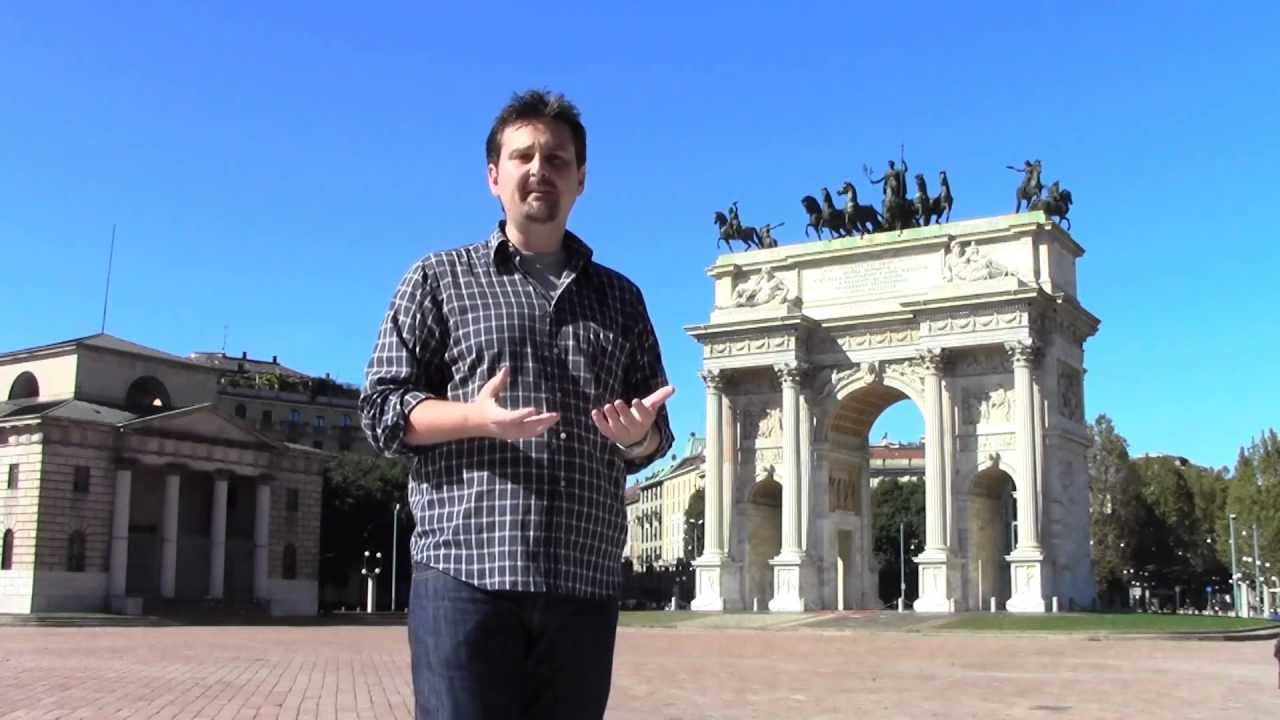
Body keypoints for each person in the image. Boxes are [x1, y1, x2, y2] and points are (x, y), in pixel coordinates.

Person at [359, 88, 676, 720]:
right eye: (524, 156)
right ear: (493, 176)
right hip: (466, 573)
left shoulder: (622, 299)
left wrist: (635, 436)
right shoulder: (436, 279)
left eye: (557, 159)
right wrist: (475, 417)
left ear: (580, 179)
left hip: (583, 582)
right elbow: (380, 410)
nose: (540, 170)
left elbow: (655, 437)